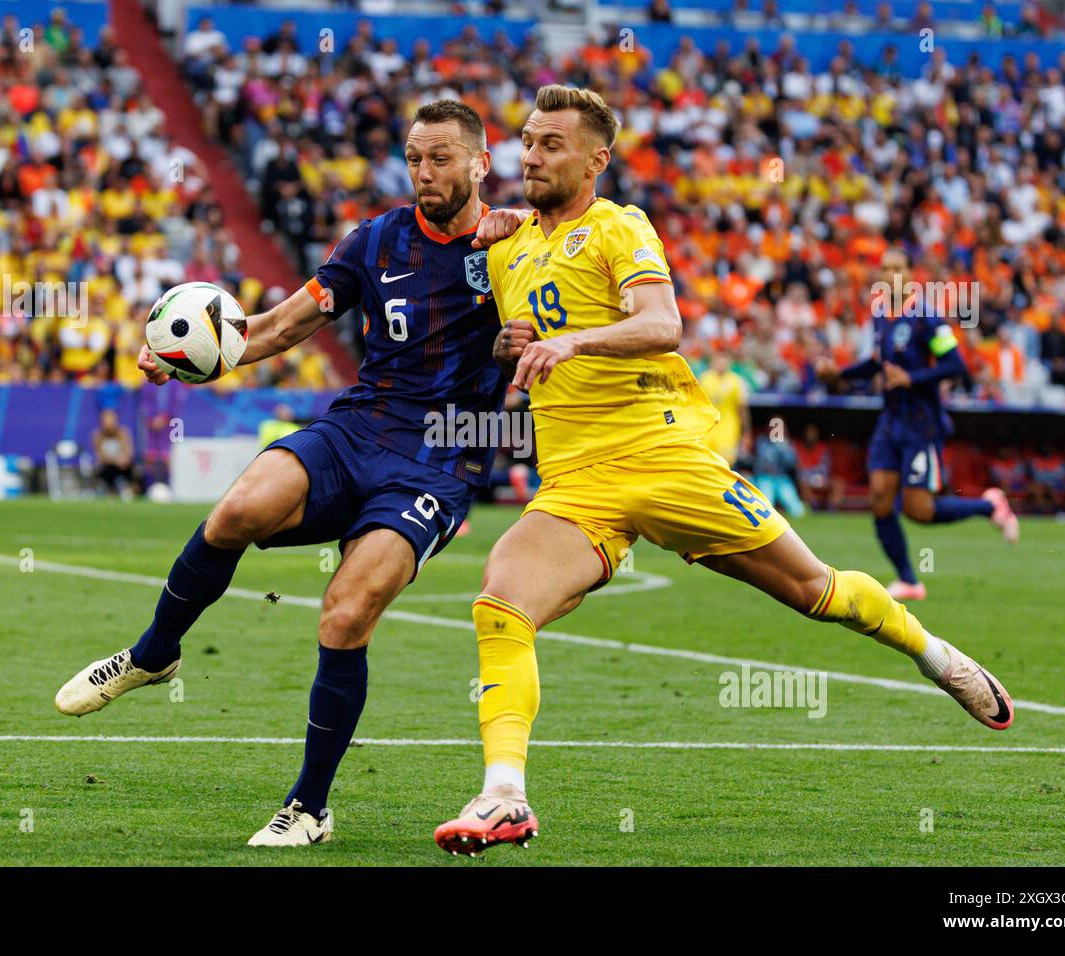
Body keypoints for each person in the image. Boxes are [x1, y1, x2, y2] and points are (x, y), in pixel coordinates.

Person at [431, 86, 1014, 857]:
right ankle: (504, 795)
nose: (533, 156)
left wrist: (574, 343)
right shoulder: (504, 244)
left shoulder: (619, 228)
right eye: (529, 142)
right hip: (575, 482)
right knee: (500, 605)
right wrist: (511, 339)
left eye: (552, 145)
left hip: (666, 458)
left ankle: (932, 652)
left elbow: (662, 323)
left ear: (596, 160)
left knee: (818, 593)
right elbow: (457, 260)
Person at [55, 100, 524, 847]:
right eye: (414, 157)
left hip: (438, 460)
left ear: (479, 163)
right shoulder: (375, 240)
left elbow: (554, 337)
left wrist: (518, 333)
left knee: (343, 614)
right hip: (356, 428)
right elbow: (279, 326)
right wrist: (189, 363)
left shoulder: (519, 248)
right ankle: (152, 655)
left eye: (441, 158)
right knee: (236, 509)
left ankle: (309, 807)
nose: (425, 172)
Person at [816, 250, 1018, 601]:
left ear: (910, 274)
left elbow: (955, 365)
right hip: (890, 420)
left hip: (921, 424)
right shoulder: (881, 315)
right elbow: (878, 363)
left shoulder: (927, 317)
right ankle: (909, 579)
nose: (891, 274)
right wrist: (841, 373)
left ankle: (990, 505)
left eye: (898, 268)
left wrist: (912, 378)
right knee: (879, 498)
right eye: (886, 269)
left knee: (919, 510)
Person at [92, 408, 136, 498]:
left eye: (110, 420)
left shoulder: (123, 433)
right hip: (107, 467)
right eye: (105, 420)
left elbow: (128, 451)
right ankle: (109, 490)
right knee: (106, 469)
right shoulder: (98, 436)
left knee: (130, 466)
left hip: (122, 466)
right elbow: (100, 456)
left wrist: (124, 458)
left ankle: (130, 488)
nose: (108, 423)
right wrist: (115, 460)